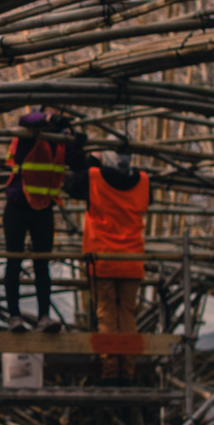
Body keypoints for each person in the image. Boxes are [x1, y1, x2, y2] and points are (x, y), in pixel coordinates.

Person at [65, 151, 151, 385]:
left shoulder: (94, 177)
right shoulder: (143, 181)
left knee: (106, 315)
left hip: (102, 257)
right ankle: (127, 371)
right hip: (132, 259)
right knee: (128, 315)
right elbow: (146, 201)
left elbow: (70, 185)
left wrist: (92, 161)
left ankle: (111, 372)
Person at [3, 106, 85, 332]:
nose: (55, 114)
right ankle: (14, 316)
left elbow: (77, 165)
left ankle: (44, 317)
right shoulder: (31, 133)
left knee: (42, 263)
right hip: (19, 203)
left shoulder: (62, 140)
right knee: (14, 260)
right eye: (51, 110)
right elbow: (25, 119)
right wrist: (49, 118)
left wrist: (79, 146)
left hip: (44, 208)